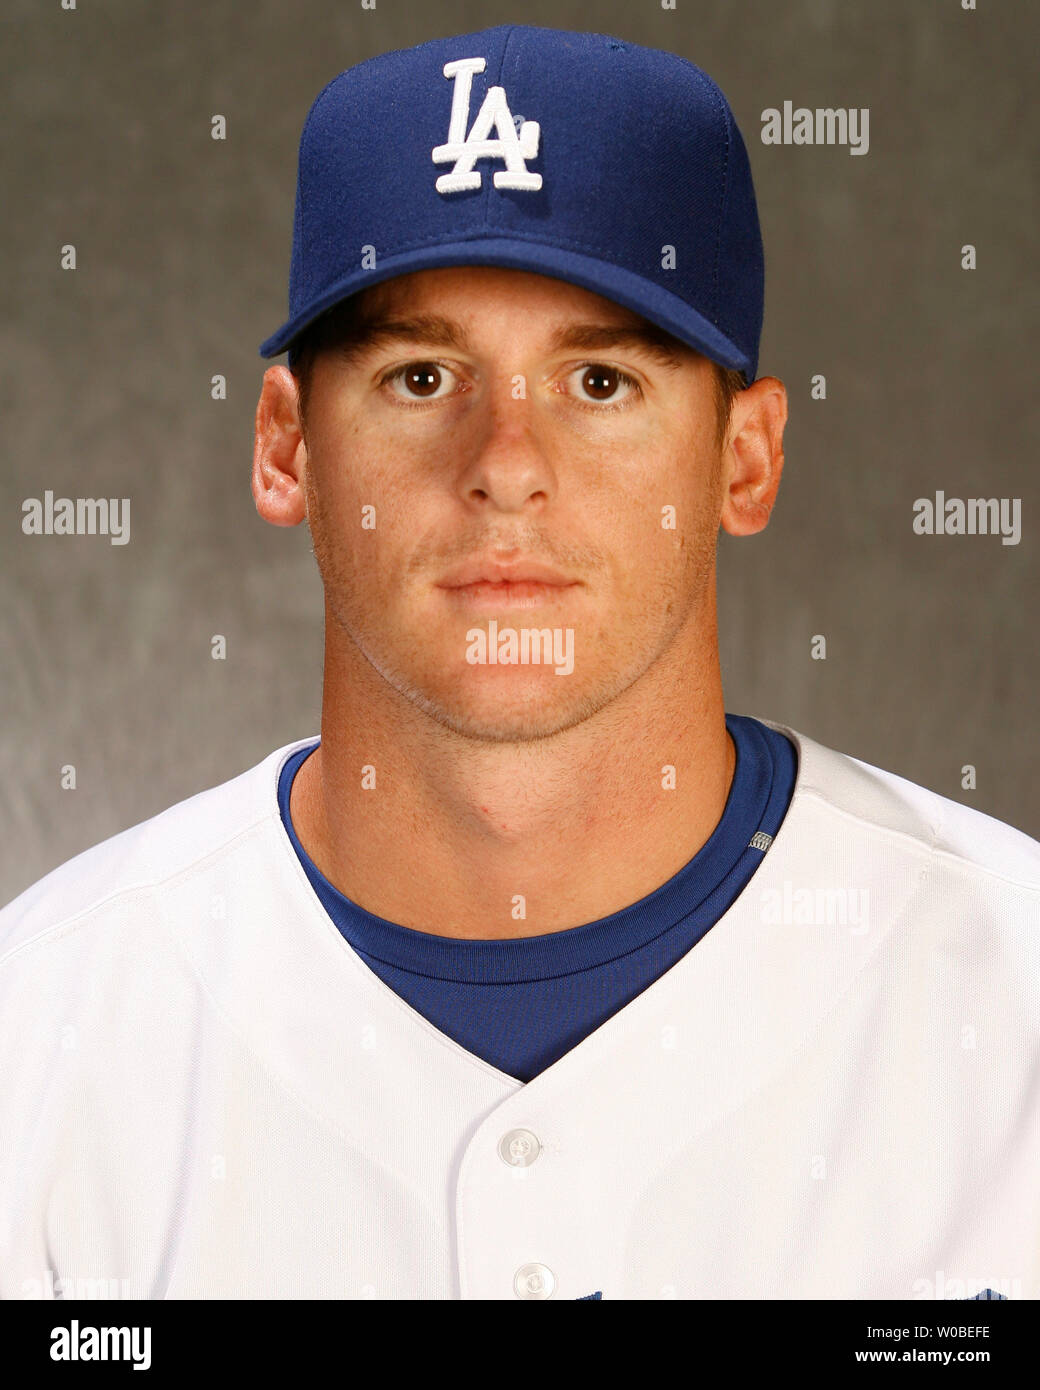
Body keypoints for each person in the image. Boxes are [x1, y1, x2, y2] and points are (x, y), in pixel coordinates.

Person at [1, 24, 1035, 1302]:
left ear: (743, 458)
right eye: (420, 374)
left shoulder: (1012, 993)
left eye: (598, 379)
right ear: (285, 446)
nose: (505, 460)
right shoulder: (38, 1038)